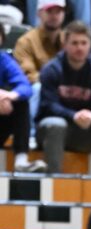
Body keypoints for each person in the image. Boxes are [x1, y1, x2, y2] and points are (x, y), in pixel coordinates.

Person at [36, 21, 91, 175]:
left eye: (83, 43)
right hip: (51, 131)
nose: (79, 47)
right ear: (65, 44)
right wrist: (73, 115)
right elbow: (48, 105)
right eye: (74, 43)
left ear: (90, 45)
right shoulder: (51, 70)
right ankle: (54, 179)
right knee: (56, 124)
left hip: (83, 131)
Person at [12, 0, 63, 143]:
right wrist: (52, 82)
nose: (54, 16)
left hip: (63, 89)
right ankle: (31, 135)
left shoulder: (69, 40)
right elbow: (28, 73)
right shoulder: (26, 41)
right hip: (39, 88)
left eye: (58, 11)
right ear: (39, 13)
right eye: (49, 11)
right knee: (36, 88)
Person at [0, 28, 43, 173]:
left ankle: (21, 160)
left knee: (20, 101)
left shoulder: (4, 59)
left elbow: (25, 87)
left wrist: (9, 96)